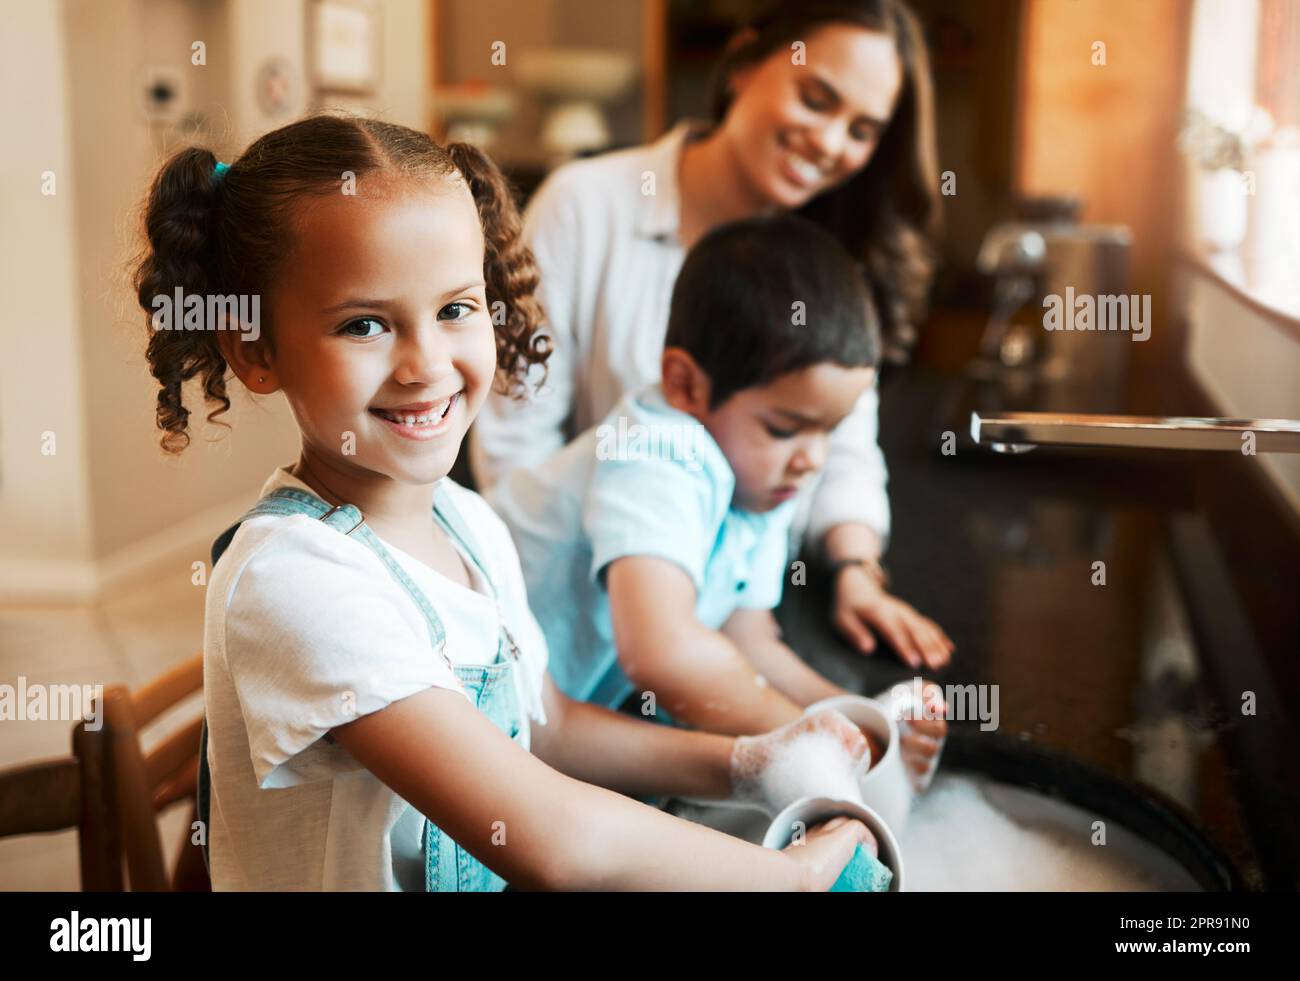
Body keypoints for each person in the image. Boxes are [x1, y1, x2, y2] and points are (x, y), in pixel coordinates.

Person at [130, 113, 878, 891]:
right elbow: (553, 838)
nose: (425, 365)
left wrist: (752, 761)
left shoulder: (470, 522)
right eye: (364, 324)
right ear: (254, 349)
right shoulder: (293, 579)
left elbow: (545, 726)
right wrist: (789, 877)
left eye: (456, 308)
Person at [471, 0, 953, 671]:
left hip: (744, 611)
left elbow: (844, 449)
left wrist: (854, 568)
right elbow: (516, 444)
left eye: (863, 129)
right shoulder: (586, 204)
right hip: (587, 614)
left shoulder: (831, 253)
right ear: (746, 65)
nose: (831, 142)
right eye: (816, 98)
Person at [489, 214, 946, 783]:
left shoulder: (763, 479)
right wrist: (829, 750)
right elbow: (662, 654)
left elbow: (748, 639)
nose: (812, 459)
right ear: (684, 385)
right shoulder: (657, 451)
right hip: (471, 706)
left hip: (553, 722)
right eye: (785, 428)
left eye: (829, 430)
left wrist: (862, 721)